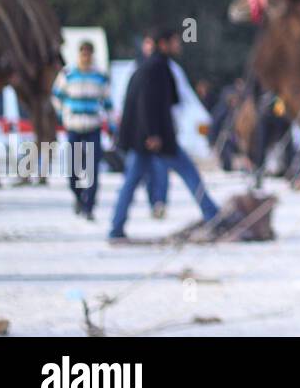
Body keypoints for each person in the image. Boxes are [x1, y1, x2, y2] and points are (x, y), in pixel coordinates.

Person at [109, 28, 219, 241]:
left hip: (146, 137)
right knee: (188, 172)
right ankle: (211, 212)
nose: (179, 46)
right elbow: (147, 105)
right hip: (153, 137)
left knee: (131, 182)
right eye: (175, 42)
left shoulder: (154, 66)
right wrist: (153, 135)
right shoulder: (156, 68)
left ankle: (116, 226)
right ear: (163, 44)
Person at [50, 41, 111, 220]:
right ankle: (78, 196)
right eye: (83, 53)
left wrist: (111, 123)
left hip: (93, 125)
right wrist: (62, 114)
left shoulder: (100, 75)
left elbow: (107, 101)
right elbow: (56, 96)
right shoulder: (68, 73)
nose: (86, 57)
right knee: (73, 168)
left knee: (92, 168)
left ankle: (89, 207)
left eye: (89, 53)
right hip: (74, 126)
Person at [134, 32, 170, 218]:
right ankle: (154, 202)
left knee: (158, 169)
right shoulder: (143, 68)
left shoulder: (160, 66)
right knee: (141, 173)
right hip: (145, 133)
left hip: (157, 132)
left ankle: (159, 201)